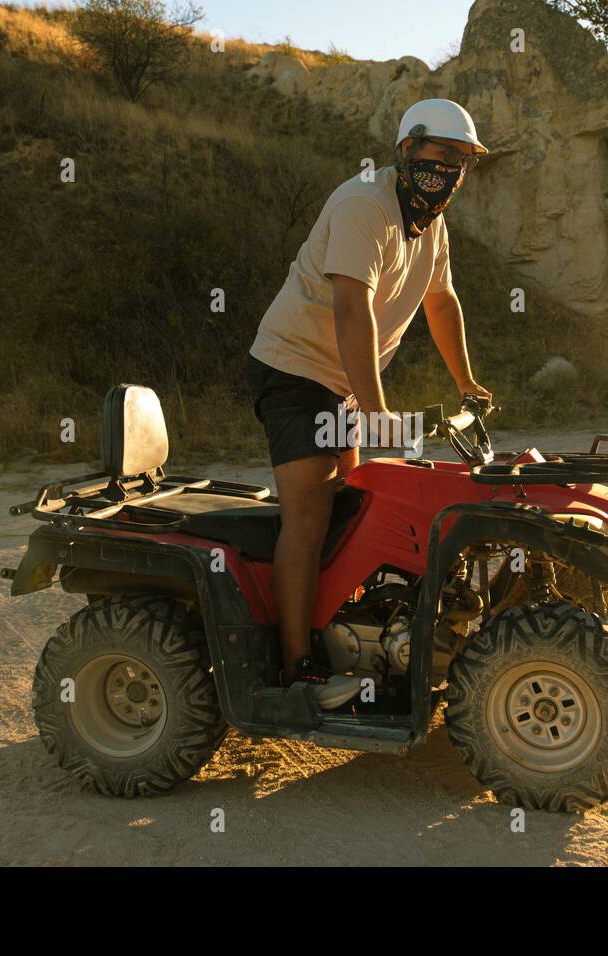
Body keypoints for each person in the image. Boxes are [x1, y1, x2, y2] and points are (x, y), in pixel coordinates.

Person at [245, 99, 491, 708]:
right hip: (294, 368)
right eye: (440, 155)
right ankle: (294, 668)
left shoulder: (430, 219)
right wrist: (378, 409)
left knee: (355, 503)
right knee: (309, 511)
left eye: (461, 161)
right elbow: (351, 310)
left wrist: (468, 385)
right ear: (407, 150)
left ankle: (351, 638)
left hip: (344, 381)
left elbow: (442, 303)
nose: (449, 170)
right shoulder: (364, 204)